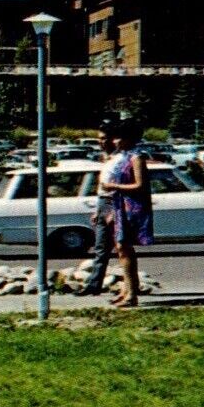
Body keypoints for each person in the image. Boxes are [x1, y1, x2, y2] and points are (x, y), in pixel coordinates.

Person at [100, 118, 153, 307]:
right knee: (121, 248)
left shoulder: (136, 157)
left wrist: (113, 186)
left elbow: (141, 185)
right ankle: (127, 290)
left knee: (124, 248)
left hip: (133, 208)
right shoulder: (124, 156)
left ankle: (132, 294)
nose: (114, 141)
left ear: (129, 138)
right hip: (121, 206)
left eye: (118, 138)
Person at [79, 121, 120, 296]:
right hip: (103, 203)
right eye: (99, 139)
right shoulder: (107, 159)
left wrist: (114, 211)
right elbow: (102, 187)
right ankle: (94, 285)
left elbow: (120, 187)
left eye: (104, 138)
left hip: (114, 204)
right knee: (101, 248)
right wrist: (98, 210)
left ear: (113, 139)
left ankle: (129, 287)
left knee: (121, 249)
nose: (100, 142)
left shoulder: (120, 160)